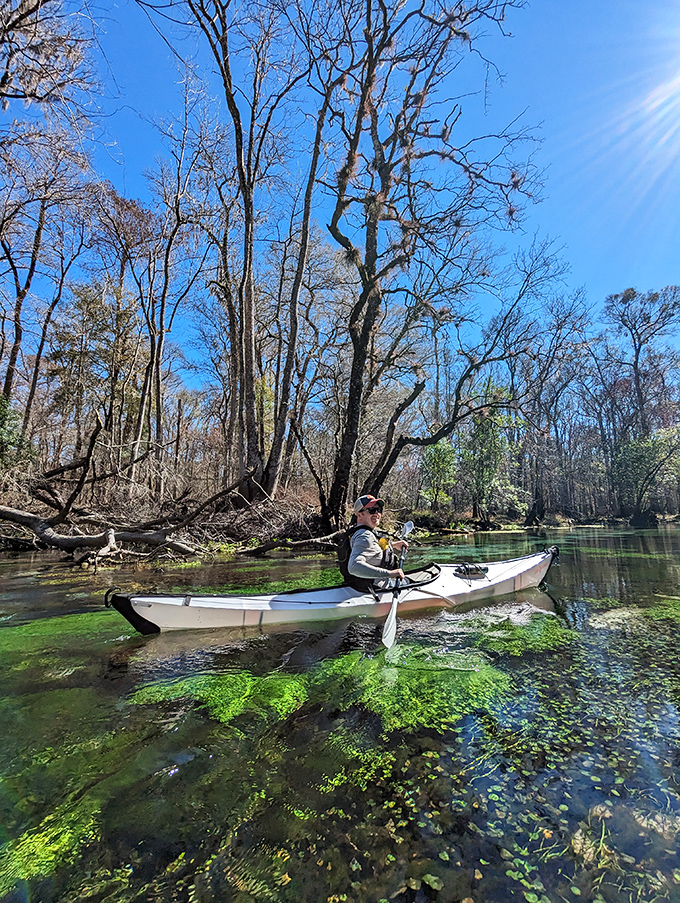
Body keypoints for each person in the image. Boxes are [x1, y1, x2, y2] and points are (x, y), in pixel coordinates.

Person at [338, 494, 409, 592]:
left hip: (360, 586)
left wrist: (393, 545)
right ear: (359, 514)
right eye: (371, 510)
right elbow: (354, 567)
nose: (377, 513)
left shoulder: (360, 532)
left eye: (379, 510)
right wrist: (389, 574)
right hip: (374, 589)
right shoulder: (364, 536)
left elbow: (372, 548)